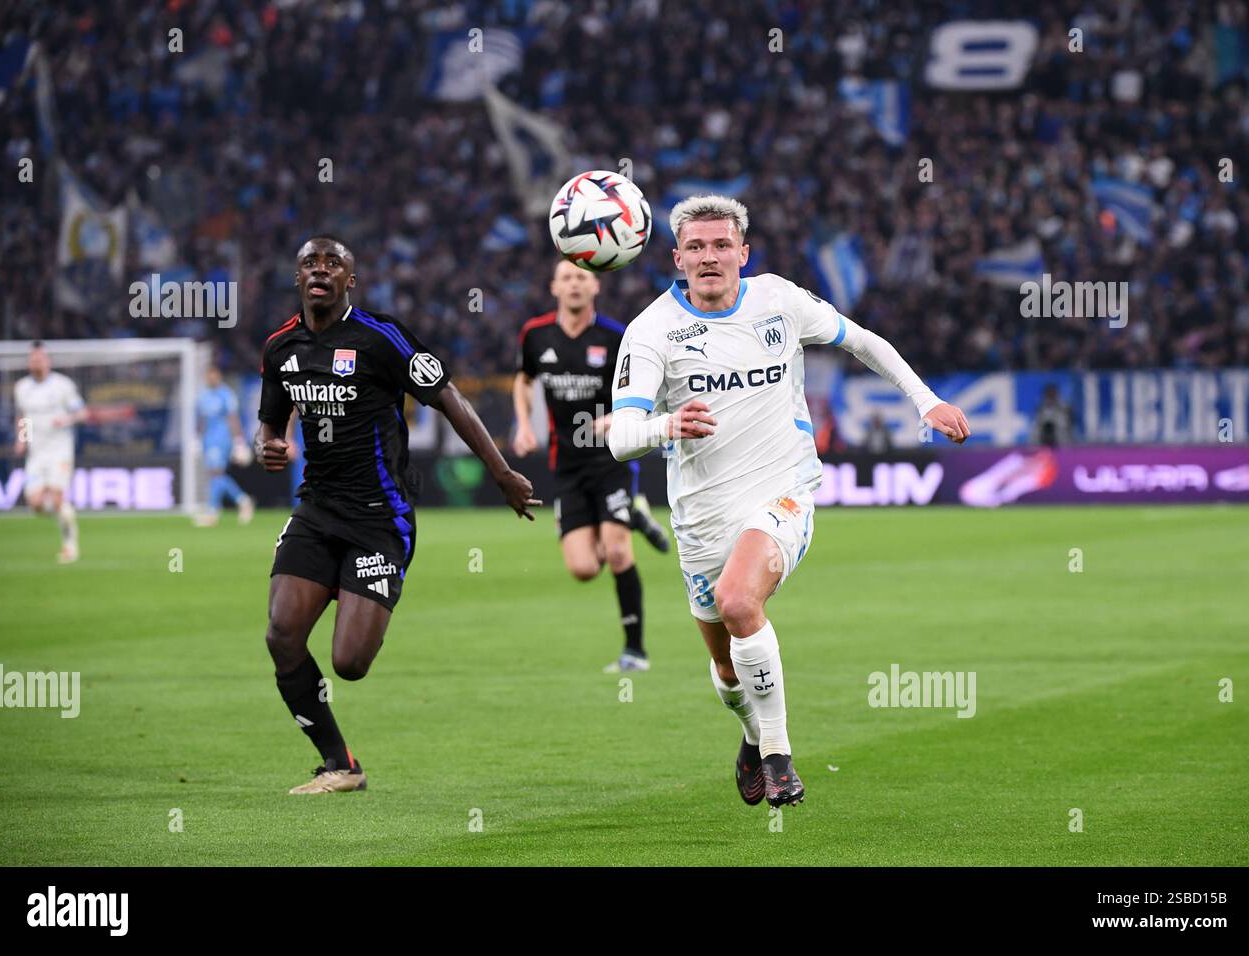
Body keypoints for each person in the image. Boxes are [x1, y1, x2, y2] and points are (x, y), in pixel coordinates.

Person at [607, 196, 970, 807]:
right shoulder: (649, 334)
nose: (710, 257)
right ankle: (751, 737)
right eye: (696, 248)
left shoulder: (779, 299)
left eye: (722, 245)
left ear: (743, 253)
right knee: (727, 673)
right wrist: (667, 426)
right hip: (700, 516)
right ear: (677, 259)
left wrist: (924, 400)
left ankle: (777, 754)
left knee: (738, 600)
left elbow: (863, 342)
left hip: (783, 490)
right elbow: (619, 438)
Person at [256, 235, 539, 795]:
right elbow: (271, 422)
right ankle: (340, 764)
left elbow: (451, 399)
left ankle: (360, 594)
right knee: (282, 634)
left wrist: (502, 472)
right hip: (316, 509)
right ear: (298, 278)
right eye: (309, 262)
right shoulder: (280, 349)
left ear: (349, 281)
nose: (320, 270)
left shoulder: (381, 338)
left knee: (350, 664)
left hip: (378, 518)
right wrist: (269, 444)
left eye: (333, 263)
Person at [513, 260, 670, 673]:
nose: (575, 283)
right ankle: (631, 515)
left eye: (582, 276)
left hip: (612, 458)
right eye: (567, 277)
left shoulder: (617, 337)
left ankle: (635, 650)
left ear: (595, 286)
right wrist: (524, 426)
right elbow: (524, 380)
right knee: (583, 568)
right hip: (566, 464)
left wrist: (618, 418)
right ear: (554, 287)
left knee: (617, 553)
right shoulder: (535, 334)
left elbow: (646, 389)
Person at [13, 342, 87, 563]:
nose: (36, 363)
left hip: (59, 450)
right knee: (35, 504)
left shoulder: (63, 385)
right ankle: (65, 511)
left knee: (56, 498)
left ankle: (69, 546)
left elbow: (82, 413)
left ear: (48, 362)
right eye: (33, 360)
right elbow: (22, 416)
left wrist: (67, 419)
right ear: (29, 363)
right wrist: (21, 440)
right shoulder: (21, 388)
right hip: (36, 453)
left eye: (40, 359)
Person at [194, 365, 254, 526]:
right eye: (209, 376)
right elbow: (201, 420)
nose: (211, 378)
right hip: (208, 440)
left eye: (214, 375)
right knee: (216, 476)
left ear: (218, 376)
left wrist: (239, 440)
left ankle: (213, 511)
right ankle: (242, 500)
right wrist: (197, 439)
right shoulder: (202, 396)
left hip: (222, 439)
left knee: (216, 473)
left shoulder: (226, 394)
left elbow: (233, 418)